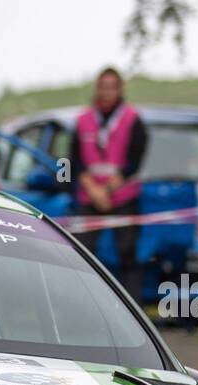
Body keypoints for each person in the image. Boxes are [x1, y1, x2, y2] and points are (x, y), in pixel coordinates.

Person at [72, 67, 149, 304]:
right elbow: (70, 162)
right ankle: (83, 305)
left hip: (123, 196)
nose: (107, 92)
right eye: (102, 87)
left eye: (111, 87)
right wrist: (93, 190)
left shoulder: (132, 119)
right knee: (80, 255)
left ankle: (133, 310)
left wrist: (106, 191)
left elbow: (134, 163)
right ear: (97, 88)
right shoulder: (82, 120)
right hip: (89, 198)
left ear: (119, 89)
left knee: (128, 254)